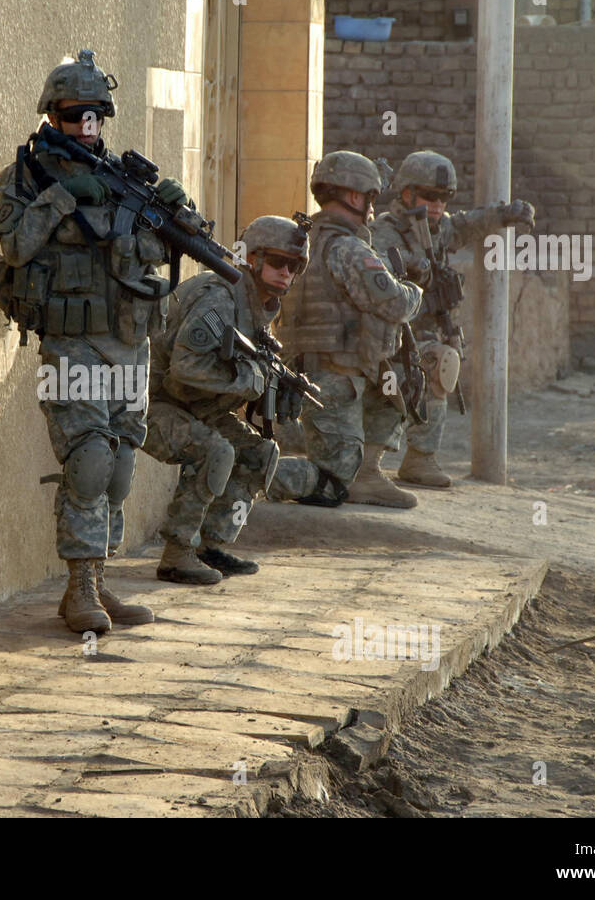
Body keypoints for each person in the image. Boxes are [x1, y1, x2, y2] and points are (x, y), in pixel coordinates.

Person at [0, 50, 184, 632]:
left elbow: (153, 253)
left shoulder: (125, 178)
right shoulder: (26, 176)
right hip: (71, 342)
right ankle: (77, 589)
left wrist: (166, 220)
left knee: (122, 465)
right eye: (75, 114)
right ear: (54, 114)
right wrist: (62, 195)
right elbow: (17, 249)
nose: (87, 125)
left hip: (128, 337)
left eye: (97, 113)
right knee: (90, 462)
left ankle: (101, 581)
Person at [144, 215, 308, 583]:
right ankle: (177, 553)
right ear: (253, 259)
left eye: (294, 266)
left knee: (261, 453)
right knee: (217, 451)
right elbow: (185, 368)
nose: (287, 273)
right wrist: (248, 381)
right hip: (148, 403)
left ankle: (210, 545)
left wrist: (274, 387)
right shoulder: (218, 297)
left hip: (191, 405)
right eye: (279, 262)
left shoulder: (258, 306)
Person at [369, 150, 535, 488]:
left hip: (418, 337)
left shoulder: (439, 229)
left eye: (443, 198)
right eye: (429, 197)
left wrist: (505, 214)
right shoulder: (384, 233)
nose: (437, 205)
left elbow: (466, 224)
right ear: (406, 194)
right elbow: (373, 285)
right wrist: (410, 273)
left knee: (442, 365)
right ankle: (366, 466)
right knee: (394, 391)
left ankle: (420, 460)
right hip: (381, 337)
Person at [269, 151, 424, 509]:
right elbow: (395, 303)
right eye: (371, 197)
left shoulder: (300, 241)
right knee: (333, 485)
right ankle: (250, 472)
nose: (373, 208)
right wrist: (415, 290)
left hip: (306, 376)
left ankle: (365, 473)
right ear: (355, 196)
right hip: (333, 382)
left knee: (401, 377)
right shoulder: (349, 248)